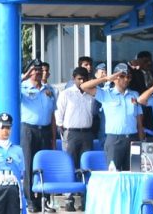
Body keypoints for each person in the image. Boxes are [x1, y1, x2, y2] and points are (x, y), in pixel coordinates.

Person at [81, 63, 142, 172]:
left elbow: (139, 120)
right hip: (115, 140)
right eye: (122, 76)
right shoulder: (106, 93)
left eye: (128, 77)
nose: (126, 79)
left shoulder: (134, 95)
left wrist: (141, 140)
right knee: (114, 173)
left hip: (133, 139)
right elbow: (84, 86)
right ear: (115, 78)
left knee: (134, 172)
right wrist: (106, 78)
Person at [55, 65, 95, 202]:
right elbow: (59, 114)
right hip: (71, 133)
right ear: (73, 79)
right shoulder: (66, 93)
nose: (82, 82)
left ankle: (84, 195)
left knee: (86, 164)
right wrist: (62, 131)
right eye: (79, 79)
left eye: (84, 79)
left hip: (87, 133)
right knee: (69, 163)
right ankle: (69, 197)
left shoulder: (92, 94)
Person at [18, 61, 56, 202]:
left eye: (40, 70)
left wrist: (53, 138)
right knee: (28, 164)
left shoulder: (49, 90)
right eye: (35, 70)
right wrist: (24, 76)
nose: (38, 72)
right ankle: (30, 199)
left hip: (45, 131)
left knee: (44, 164)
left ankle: (44, 199)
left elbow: (52, 116)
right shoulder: (22, 87)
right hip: (29, 130)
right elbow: (9, 88)